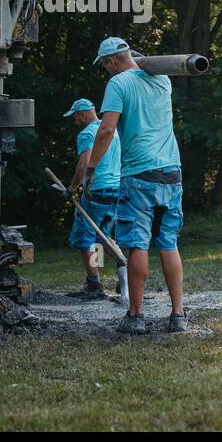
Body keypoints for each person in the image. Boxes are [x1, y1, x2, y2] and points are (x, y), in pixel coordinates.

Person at [85, 37, 187, 334]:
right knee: (168, 242)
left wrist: (91, 168)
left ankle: (136, 316)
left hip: (139, 174)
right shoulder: (162, 79)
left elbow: (106, 130)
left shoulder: (118, 84)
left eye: (105, 66)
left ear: (110, 61)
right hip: (171, 170)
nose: (105, 71)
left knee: (137, 244)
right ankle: (178, 315)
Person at [62, 97, 122, 299]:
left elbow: (83, 166)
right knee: (101, 237)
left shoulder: (87, 133)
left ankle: (95, 284)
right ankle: (118, 277)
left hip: (96, 190)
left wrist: (71, 189)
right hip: (115, 189)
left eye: (76, 117)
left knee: (84, 236)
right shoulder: (114, 132)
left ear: (83, 114)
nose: (75, 121)